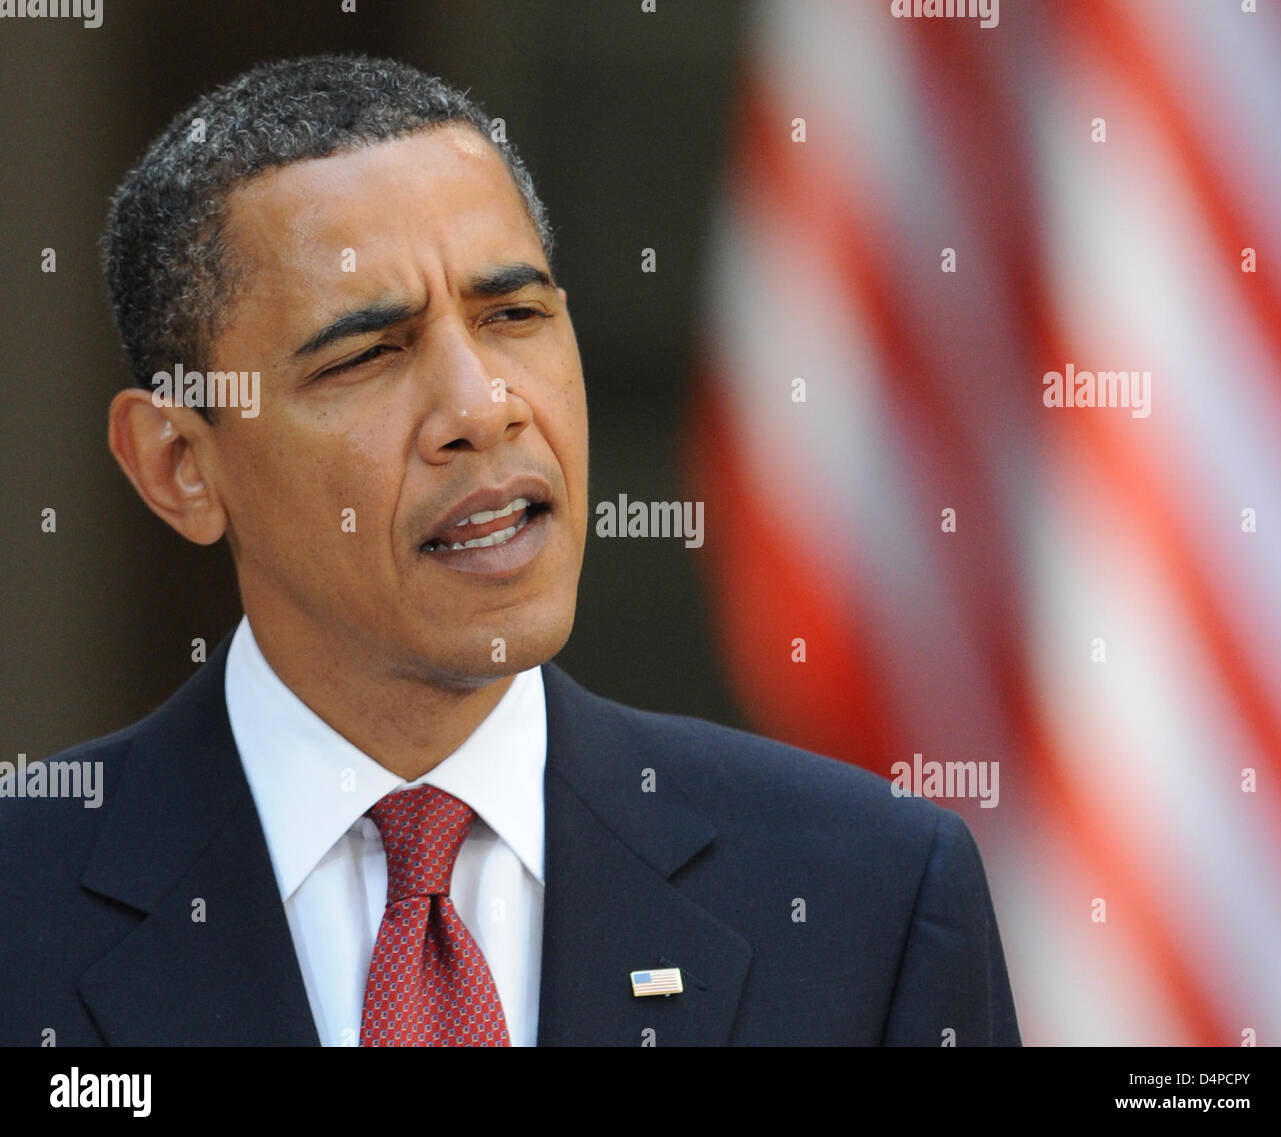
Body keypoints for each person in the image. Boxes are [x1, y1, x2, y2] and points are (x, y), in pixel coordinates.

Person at [0, 54, 1019, 1047]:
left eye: (515, 316)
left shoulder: (866, 896)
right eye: (366, 355)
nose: (483, 409)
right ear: (180, 464)